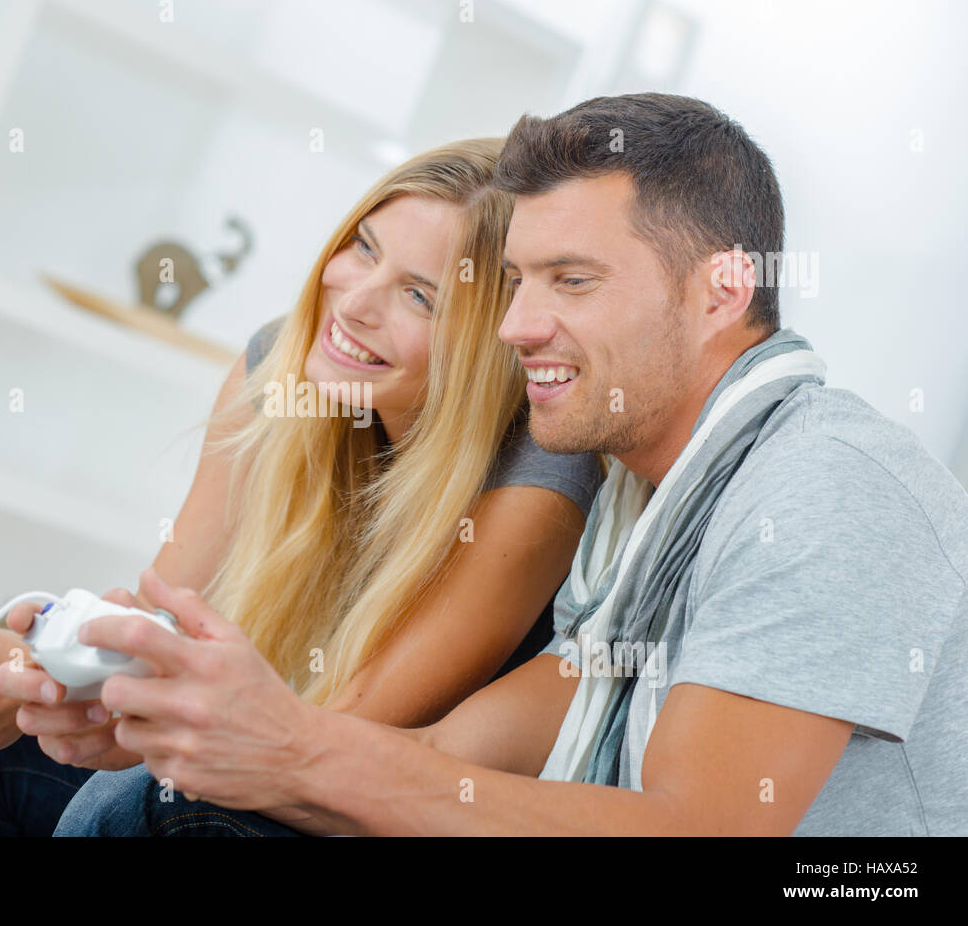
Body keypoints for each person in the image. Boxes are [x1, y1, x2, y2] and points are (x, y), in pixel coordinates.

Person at [57, 93, 968, 836]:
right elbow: (451, 756)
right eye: (518, 280)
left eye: (572, 281)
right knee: (151, 794)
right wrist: (205, 726)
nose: (515, 326)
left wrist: (295, 752)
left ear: (721, 291)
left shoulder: (828, 485)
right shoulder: (638, 514)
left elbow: (695, 832)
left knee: (146, 812)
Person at [0, 138, 605, 835]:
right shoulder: (281, 364)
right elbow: (159, 614)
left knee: (131, 799)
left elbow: (338, 735)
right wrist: (14, 670)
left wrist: (130, 732)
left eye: (418, 296)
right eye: (362, 248)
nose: (353, 302)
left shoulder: (538, 473)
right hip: (269, 749)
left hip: (360, 798)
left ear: (487, 346)